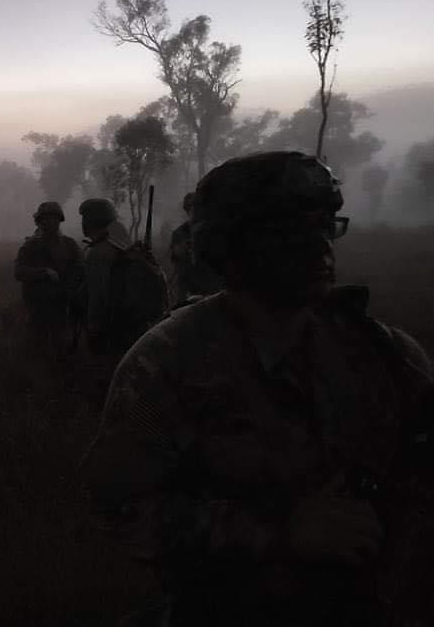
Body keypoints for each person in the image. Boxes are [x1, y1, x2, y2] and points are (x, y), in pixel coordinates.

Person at [81, 152, 434, 627]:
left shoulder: (387, 353)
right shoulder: (164, 364)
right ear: (230, 245)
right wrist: (278, 531)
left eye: (326, 226)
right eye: (289, 230)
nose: (319, 247)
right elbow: (120, 507)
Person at [78, 198, 169, 359]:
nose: (82, 223)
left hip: (114, 328)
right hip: (139, 326)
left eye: (84, 218)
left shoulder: (98, 253)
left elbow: (97, 296)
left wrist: (93, 329)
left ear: (91, 220)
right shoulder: (125, 245)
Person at [14, 201, 83, 358]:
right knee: (37, 349)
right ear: (39, 221)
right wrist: (44, 272)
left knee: (62, 348)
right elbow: (18, 272)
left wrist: (70, 292)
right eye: (45, 218)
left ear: (59, 220)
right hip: (37, 306)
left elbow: (79, 271)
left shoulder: (69, 245)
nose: (49, 221)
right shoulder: (31, 246)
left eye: (53, 218)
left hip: (61, 306)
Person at [169, 191, 222, 304]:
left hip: (210, 284)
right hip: (187, 286)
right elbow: (175, 256)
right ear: (187, 210)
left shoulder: (210, 230)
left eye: (195, 207)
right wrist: (182, 248)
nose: (193, 210)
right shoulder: (179, 232)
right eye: (190, 207)